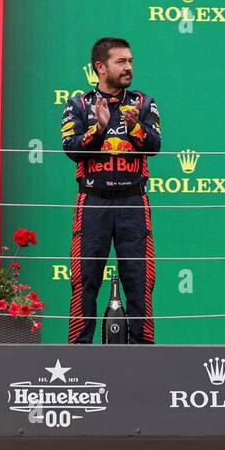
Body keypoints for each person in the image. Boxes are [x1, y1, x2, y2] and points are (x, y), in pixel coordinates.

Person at [61, 37, 161, 344]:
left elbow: (155, 146)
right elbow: (71, 149)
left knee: (139, 280)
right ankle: (79, 353)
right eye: (121, 62)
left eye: (130, 61)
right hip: (93, 201)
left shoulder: (144, 102)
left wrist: (134, 127)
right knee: (85, 280)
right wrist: (99, 129)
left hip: (133, 201)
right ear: (100, 67)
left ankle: (142, 351)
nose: (129, 67)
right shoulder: (78, 104)